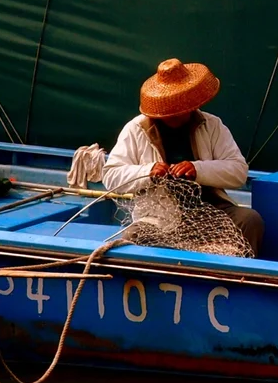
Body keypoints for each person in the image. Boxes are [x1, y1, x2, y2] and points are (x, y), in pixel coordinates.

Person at [103, 58, 265, 254]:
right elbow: (111, 176)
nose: (177, 113)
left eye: (181, 106)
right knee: (133, 237)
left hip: (213, 213)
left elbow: (238, 172)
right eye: (171, 107)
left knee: (249, 220)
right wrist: (148, 172)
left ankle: (239, 279)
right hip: (158, 219)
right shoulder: (136, 129)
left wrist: (198, 169)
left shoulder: (212, 124)